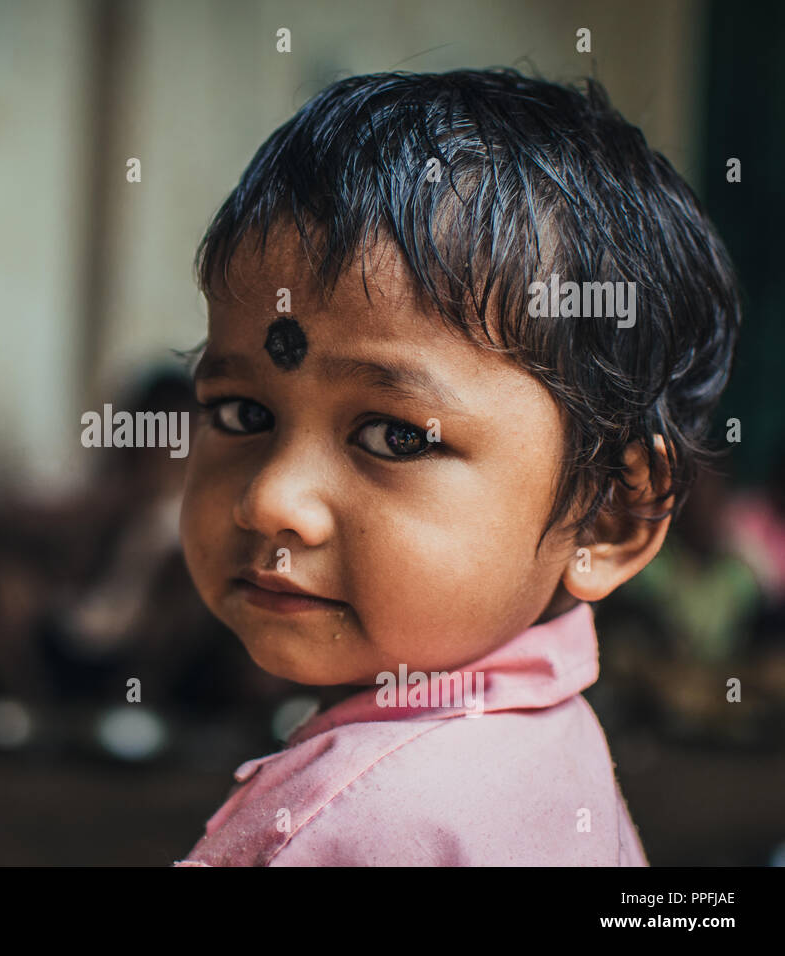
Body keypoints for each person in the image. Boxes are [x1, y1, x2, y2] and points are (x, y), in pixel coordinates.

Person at [172, 69, 740, 865]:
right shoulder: (542, 745)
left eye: (398, 438)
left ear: (611, 515)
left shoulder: (360, 826)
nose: (272, 500)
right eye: (244, 415)